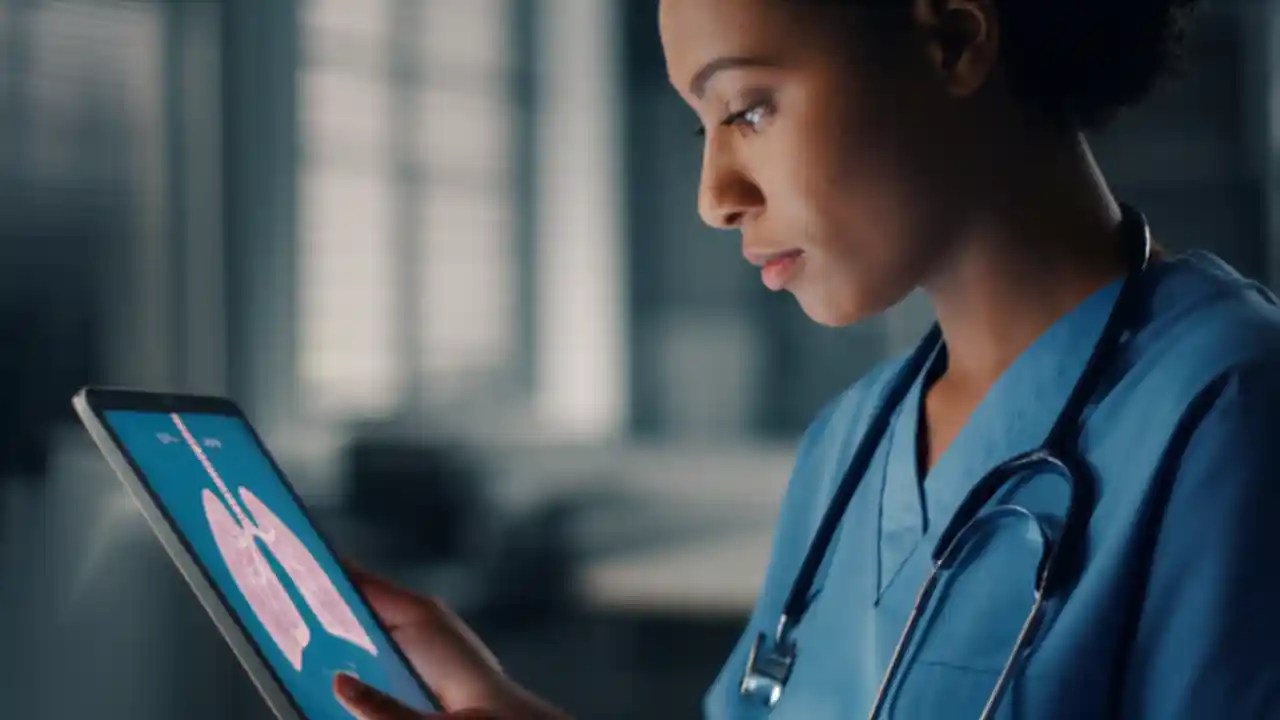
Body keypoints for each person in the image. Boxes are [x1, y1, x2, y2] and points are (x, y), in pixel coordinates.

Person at [334, 0, 1280, 717]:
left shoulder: (1229, 408)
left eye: (747, 110)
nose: (714, 196)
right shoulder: (853, 445)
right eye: (699, 125)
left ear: (950, 40)